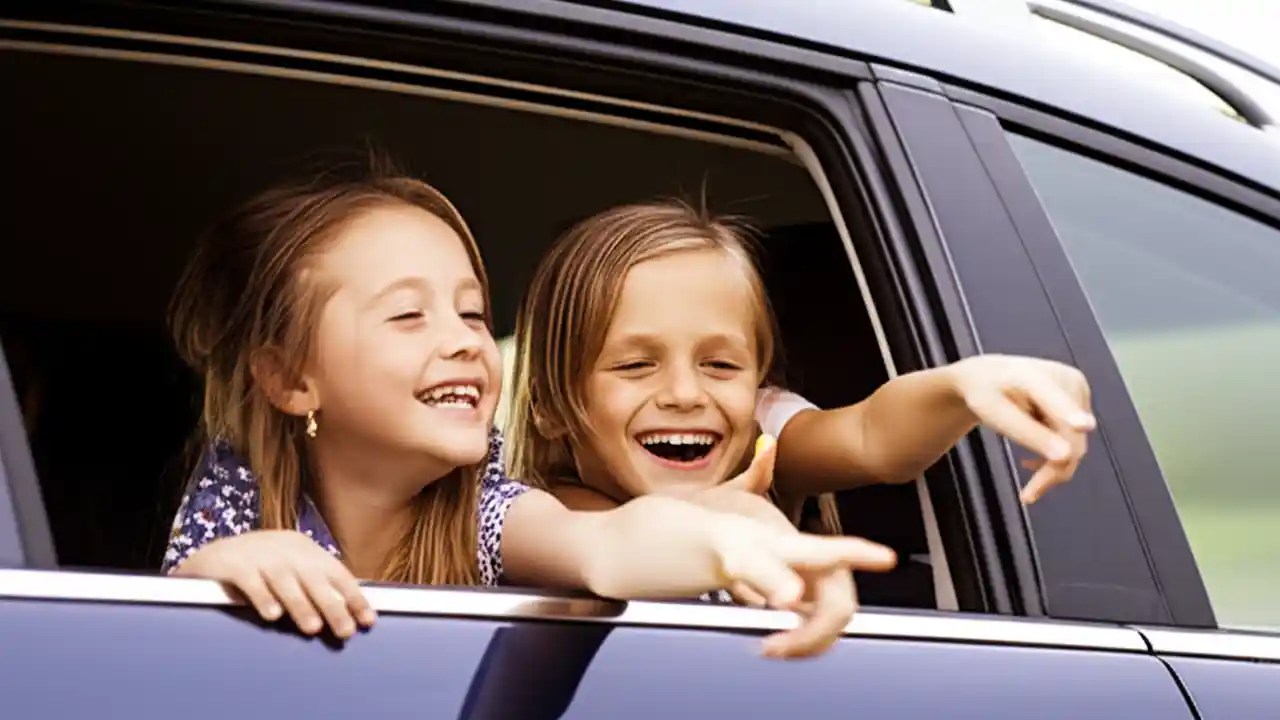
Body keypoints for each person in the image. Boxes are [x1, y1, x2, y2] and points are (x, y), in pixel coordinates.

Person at [161, 167, 896, 659]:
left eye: (475, 313)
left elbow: (605, 546)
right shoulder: (243, 487)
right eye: (410, 315)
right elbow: (167, 644)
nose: (464, 342)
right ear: (290, 379)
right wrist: (220, 568)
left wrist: (734, 545)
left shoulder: (486, 504)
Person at [505, 200, 1094, 603]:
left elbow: (872, 437)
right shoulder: (540, 517)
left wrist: (965, 383)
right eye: (635, 365)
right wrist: (735, 518)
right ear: (552, 404)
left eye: (720, 365)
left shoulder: (760, 435)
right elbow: (623, 544)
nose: (686, 394)